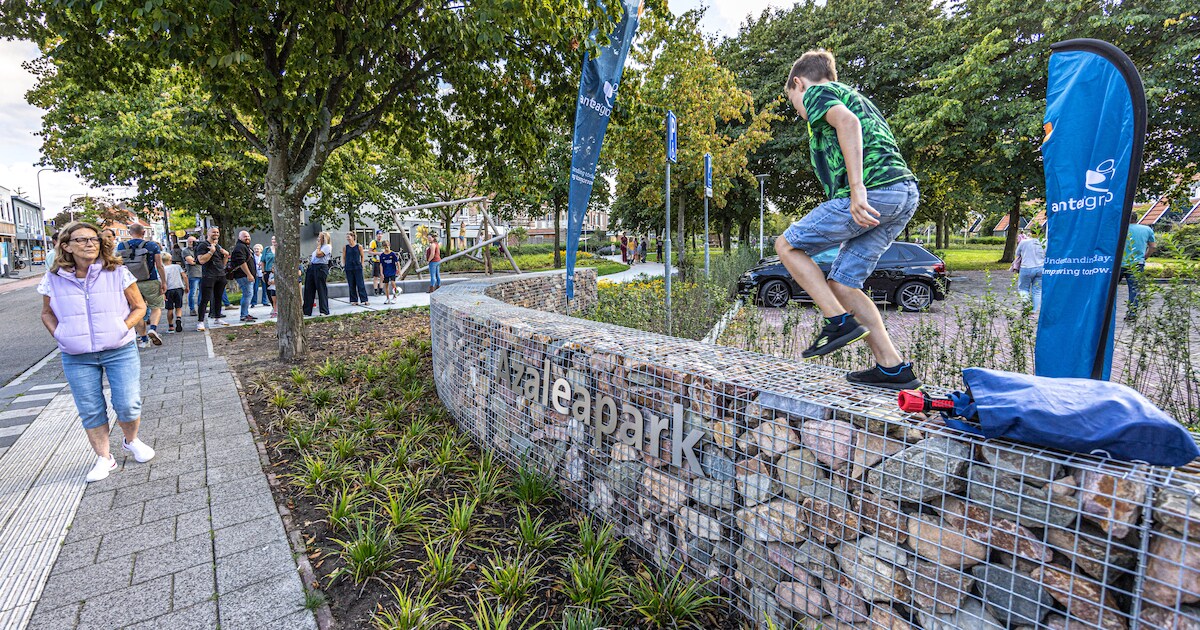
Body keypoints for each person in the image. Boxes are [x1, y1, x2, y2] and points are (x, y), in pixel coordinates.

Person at [775, 50, 921, 390]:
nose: (800, 111)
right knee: (842, 282)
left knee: (787, 245)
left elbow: (848, 123)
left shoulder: (817, 92)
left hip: (875, 191)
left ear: (798, 82)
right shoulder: (857, 97)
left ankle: (837, 321)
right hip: (903, 193)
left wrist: (857, 190)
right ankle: (892, 367)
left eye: (793, 102)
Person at [39, 222, 155, 482]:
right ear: (66, 246)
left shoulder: (117, 272)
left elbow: (139, 307)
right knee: (90, 408)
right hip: (77, 355)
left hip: (119, 349)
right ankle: (104, 457)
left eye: (94, 239)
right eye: (81, 240)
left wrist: (120, 328)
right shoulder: (53, 278)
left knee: (127, 402)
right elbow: (47, 313)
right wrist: (61, 335)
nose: (90, 243)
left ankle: (131, 440)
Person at [116, 224, 167, 348]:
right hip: (150, 281)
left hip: (131, 283)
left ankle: (144, 339)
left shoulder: (122, 246)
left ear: (130, 232)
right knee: (156, 307)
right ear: (144, 232)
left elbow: (118, 265)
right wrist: (164, 282)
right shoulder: (152, 245)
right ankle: (153, 328)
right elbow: (159, 265)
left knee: (137, 310)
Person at [194, 227, 229, 330]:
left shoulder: (218, 246)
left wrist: (226, 256)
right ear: (208, 233)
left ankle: (217, 317)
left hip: (220, 275)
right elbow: (201, 260)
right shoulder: (203, 245)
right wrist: (211, 252)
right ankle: (200, 322)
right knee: (205, 299)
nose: (216, 234)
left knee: (218, 298)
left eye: (217, 232)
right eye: (214, 232)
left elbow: (222, 264)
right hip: (208, 275)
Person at [1122, 223, 1156, 319]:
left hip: (1119, 263)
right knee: (1134, 289)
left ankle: (1105, 313)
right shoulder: (1146, 229)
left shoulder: (1119, 226)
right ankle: (1132, 313)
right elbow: (1153, 247)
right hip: (1137, 263)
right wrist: (1144, 257)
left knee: (1109, 289)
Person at [227, 230, 258, 323]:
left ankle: (245, 313)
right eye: (244, 236)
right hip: (243, 276)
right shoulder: (240, 247)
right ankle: (243, 315)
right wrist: (249, 274)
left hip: (247, 276)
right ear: (239, 238)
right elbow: (241, 262)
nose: (247, 238)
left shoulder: (246, 247)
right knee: (247, 294)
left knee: (248, 294)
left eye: (248, 236)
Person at [1014, 228, 1045, 314]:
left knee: (1023, 288)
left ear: (1030, 232)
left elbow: (1017, 253)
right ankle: (1034, 310)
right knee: (1037, 290)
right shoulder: (1044, 243)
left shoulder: (1024, 242)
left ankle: (1026, 307)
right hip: (1040, 267)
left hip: (1026, 267)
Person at [304, 231, 333, 316]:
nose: (318, 239)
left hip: (321, 267)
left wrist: (318, 245)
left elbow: (318, 255)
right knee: (309, 289)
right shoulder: (320, 247)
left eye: (319, 237)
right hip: (313, 267)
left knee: (321, 288)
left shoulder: (327, 247)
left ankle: (324, 310)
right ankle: (306, 311)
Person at [161, 252, 187, 332]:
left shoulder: (162, 269)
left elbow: (161, 281)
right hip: (179, 288)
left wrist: (162, 293)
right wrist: (187, 286)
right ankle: (178, 319)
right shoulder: (177, 266)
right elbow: (184, 276)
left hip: (168, 290)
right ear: (170, 259)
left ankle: (171, 326)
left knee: (170, 309)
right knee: (178, 307)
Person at [344, 232, 369, 306]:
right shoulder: (345, 247)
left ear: (353, 237)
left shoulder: (359, 246)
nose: (348, 238)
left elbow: (362, 256)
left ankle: (364, 299)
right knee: (351, 284)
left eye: (349, 236)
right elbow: (344, 256)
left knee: (360, 283)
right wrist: (344, 264)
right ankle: (354, 300)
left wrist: (362, 264)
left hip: (357, 266)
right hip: (349, 267)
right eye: (347, 237)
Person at [181, 235, 202, 317]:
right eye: (189, 241)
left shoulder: (199, 249)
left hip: (202, 273)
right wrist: (200, 260)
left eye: (193, 241)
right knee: (192, 292)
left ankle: (201, 307)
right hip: (193, 274)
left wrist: (197, 260)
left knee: (202, 292)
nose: (191, 243)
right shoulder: (186, 251)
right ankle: (192, 309)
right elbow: (191, 261)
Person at [262, 236, 277, 315]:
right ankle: (274, 307)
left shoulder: (281, 249)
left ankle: (278, 306)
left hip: (279, 273)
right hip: (268, 272)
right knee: (269, 290)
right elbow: (262, 261)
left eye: (275, 239)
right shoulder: (267, 249)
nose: (274, 240)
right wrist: (263, 272)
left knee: (277, 290)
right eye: (272, 239)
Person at [369, 230, 385, 296]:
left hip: (382, 261)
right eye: (378, 234)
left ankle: (381, 289)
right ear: (376, 235)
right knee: (376, 276)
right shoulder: (373, 242)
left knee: (382, 276)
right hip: (376, 261)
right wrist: (378, 253)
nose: (380, 235)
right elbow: (370, 252)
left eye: (381, 234)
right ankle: (375, 290)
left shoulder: (383, 243)